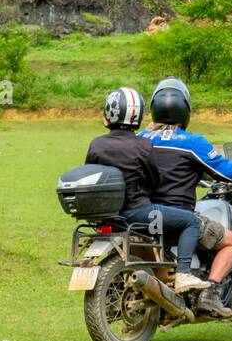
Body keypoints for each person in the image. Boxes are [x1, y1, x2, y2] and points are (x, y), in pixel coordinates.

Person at [141, 77, 232, 318]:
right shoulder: (193, 143)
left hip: (142, 217)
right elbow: (225, 170)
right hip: (177, 219)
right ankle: (210, 293)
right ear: (185, 110)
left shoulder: (140, 138)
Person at [86, 87, 210, 296]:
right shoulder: (143, 145)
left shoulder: (96, 144)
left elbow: (92, 173)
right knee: (190, 221)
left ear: (107, 115)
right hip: (139, 212)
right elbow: (156, 181)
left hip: (109, 214)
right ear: (138, 116)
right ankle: (183, 274)